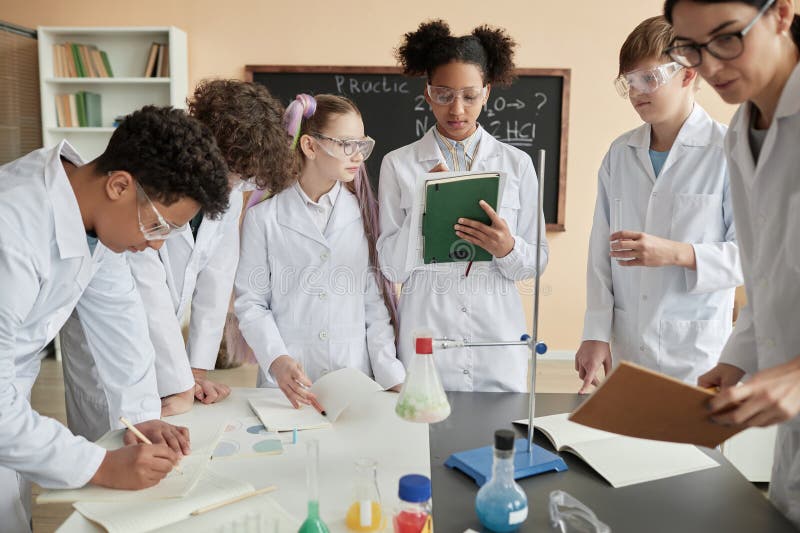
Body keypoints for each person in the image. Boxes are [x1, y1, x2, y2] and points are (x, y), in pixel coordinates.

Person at [0, 105, 230, 533]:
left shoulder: (90, 214)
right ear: (120, 185)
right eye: (160, 226)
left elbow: (119, 317)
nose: (158, 246)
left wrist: (141, 418)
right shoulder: (11, 229)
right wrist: (101, 465)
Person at [59, 80, 294, 438]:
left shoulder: (229, 195)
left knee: (165, 437)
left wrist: (195, 371)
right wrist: (179, 381)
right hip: (110, 341)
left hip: (158, 335)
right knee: (112, 436)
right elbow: (145, 287)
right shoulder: (154, 181)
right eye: (231, 172)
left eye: (242, 178)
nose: (232, 185)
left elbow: (216, 280)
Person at [664, 0, 800, 526]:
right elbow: (767, 269)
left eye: (726, 38)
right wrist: (740, 355)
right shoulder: (741, 132)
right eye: (691, 48)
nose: (711, 67)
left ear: (781, 13)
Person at [575, 16, 742, 393]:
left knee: (689, 450)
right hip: (627, 348)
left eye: (648, 79)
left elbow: (750, 256)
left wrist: (679, 253)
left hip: (695, 353)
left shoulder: (728, 152)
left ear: (688, 74)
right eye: (629, 82)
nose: (637, 93)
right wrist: (595, 332)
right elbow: (601, 252)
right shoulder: (620, 153)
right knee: (620, 448)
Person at [378, 20, 548, 392]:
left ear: (486, 93)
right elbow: (391, 267)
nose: (456, 108)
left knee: (496, 439)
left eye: (469, 96)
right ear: (427, 93)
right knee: (426, 441)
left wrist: (508, 248)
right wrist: (425, 205)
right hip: (427, 333)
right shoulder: (399, 164)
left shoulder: (517, 164)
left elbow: (536, 261)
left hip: (497, 337)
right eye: (443, 94)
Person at [234, 94, 405, 409]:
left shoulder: (365, 213)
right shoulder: (264, 218)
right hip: (286, 387)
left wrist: (391, 375)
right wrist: (277, 360)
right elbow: (251, 303)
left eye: (361, 144)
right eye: (345, 144)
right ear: (310, 146)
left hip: (354, 380)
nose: (357, 156)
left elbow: (374, 303)